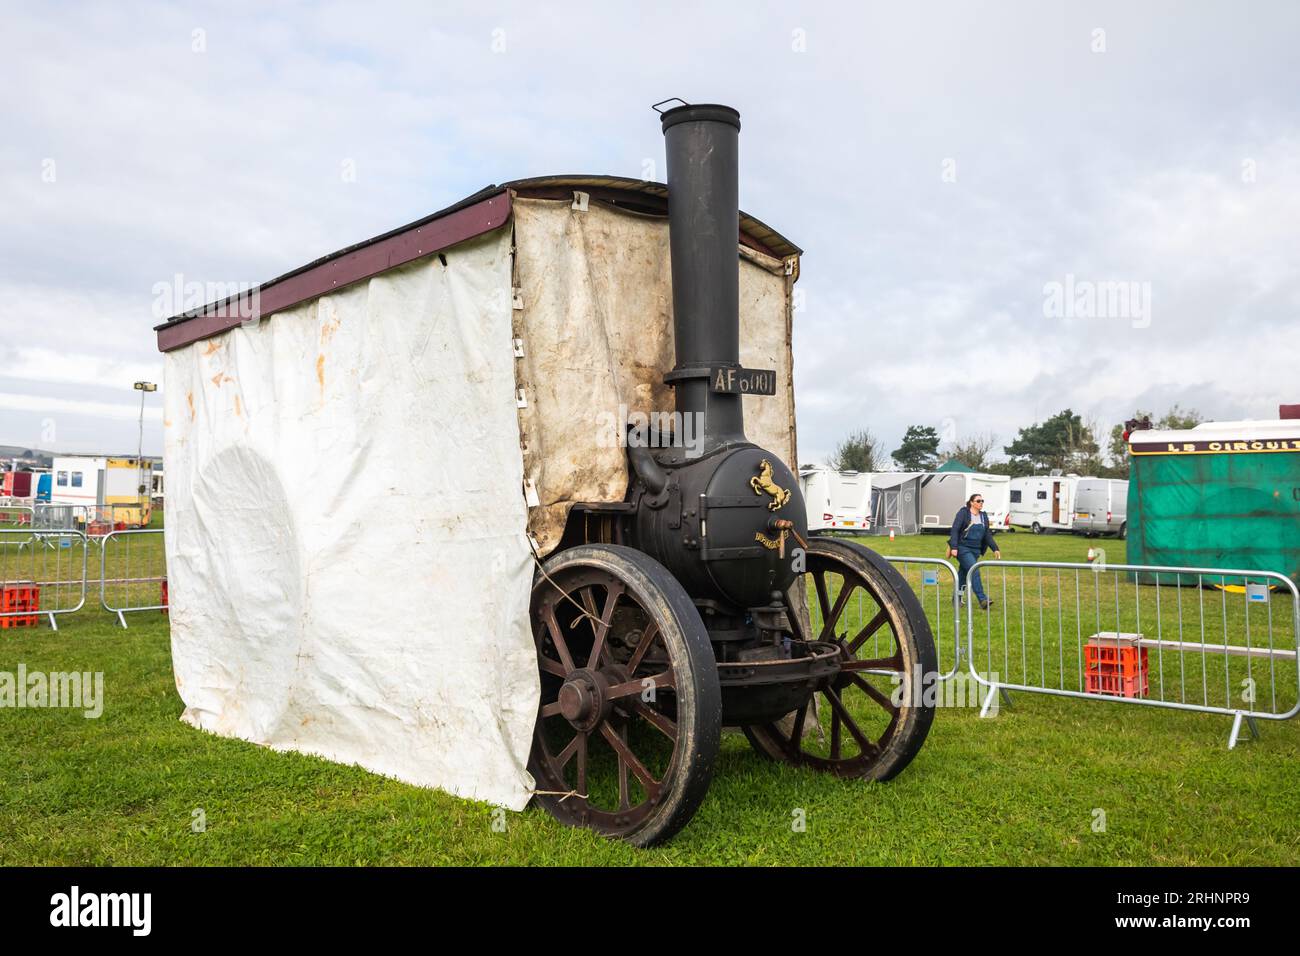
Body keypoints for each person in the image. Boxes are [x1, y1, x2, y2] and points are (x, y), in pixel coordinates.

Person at [948, 493, 1001, 610]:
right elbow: (955, 530)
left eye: (982, 501)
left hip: (976, 550)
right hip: (963, 548)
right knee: (974, 570)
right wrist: (954, 547)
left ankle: (956, 599)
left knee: (963, 575)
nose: (981, 503)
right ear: (971, 502)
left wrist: (995, 548)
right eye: (978, 501)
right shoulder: (963, 513)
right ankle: (982, 599)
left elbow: (987, 534)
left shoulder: (983, 516)